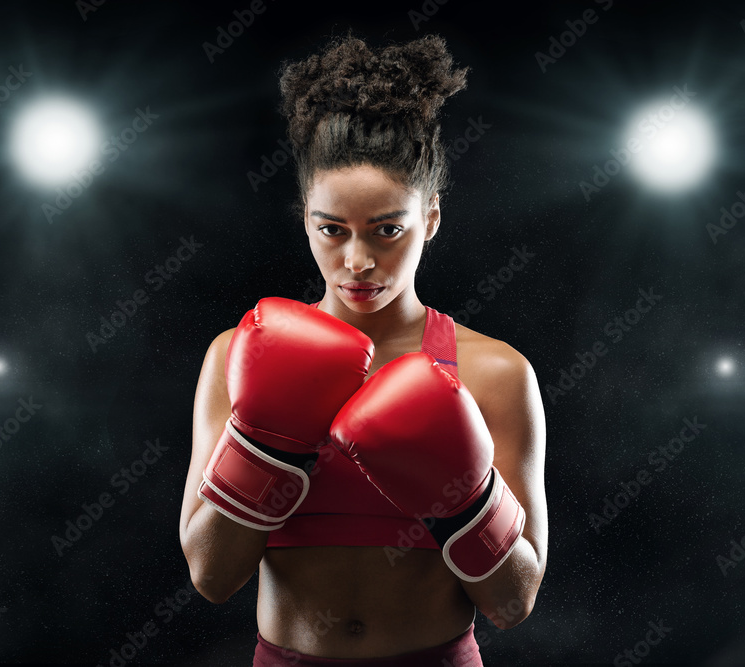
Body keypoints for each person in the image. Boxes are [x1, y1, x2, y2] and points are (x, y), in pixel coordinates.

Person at [179, 31, 547, 666]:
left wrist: (467, 499)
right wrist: (266, 445)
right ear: (305, 219)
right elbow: (212, 578)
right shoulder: (236, 356)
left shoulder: (495, 372)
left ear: (430, 217)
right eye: (332, 229)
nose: (357, 260)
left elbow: (512, 604)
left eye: (387, 230)